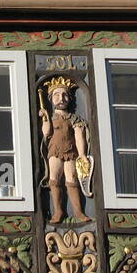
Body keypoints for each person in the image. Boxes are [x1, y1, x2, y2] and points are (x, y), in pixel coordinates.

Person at [39, 76, 89, 224]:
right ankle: (59, 211)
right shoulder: (52, 117)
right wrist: (46, 118)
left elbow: (79, 136)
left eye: (64, 94)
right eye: (56, 95)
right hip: (55, 150)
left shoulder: (74, 119)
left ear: (70, 98)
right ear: (51, 98)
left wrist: (82, 155)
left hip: (71, 152)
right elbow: (46, 133)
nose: (61, 98)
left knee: (72, 179)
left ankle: (78, 212)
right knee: (54, 178)